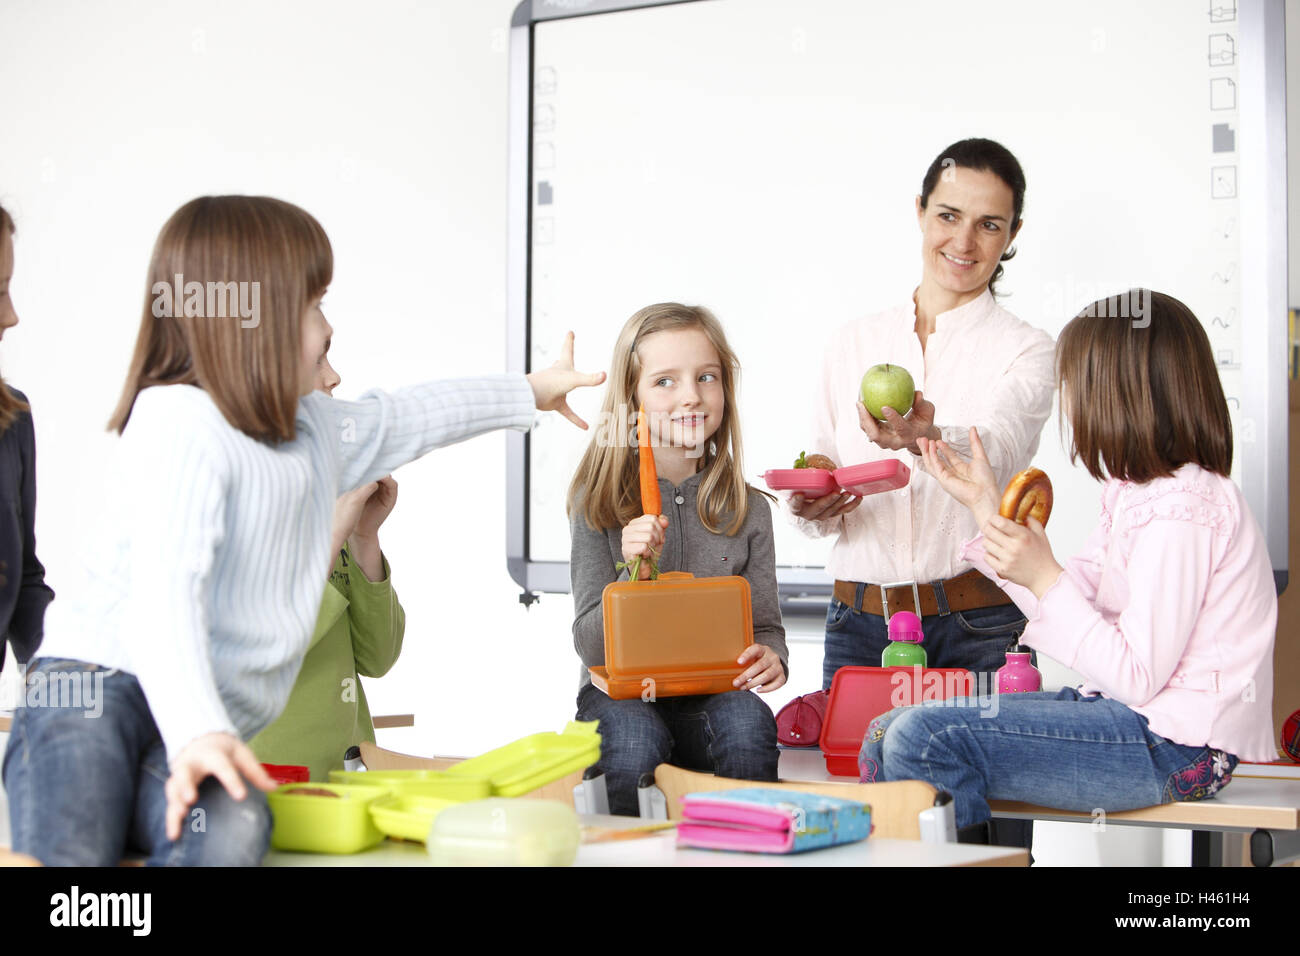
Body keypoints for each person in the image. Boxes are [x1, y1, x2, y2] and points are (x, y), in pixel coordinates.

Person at [2, 195, 603, 865]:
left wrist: (531, 391)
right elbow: (166, 598)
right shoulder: (179, 424)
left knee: (234, 828)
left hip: (199, 724)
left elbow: (412, 417)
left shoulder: (313, 432)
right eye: (315, 304)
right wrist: (199, 730)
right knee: (75, 852)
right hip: (100, 693)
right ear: (250, 321)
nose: (327, 327)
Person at [859, 291, 1277, 831]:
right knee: (885, 730)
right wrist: (986, 506)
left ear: (1120, 392)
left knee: (923, 737)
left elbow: (1135, 674)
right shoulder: (1134, 494)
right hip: (1135, 722)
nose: (1070, 405)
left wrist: (1044, 575)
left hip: (1178, 746)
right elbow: (1067, 596)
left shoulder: (1185, 507)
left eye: (1076, 387)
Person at [789, 138, 1056, 691]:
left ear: (1013, 235)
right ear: (920, 211)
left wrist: (928, 436)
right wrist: (811, 503)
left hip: (976, 626)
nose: (963, 241)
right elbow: (822, 467)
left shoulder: (1028, 349)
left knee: (980, 779)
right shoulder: (851, 343)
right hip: (858, 625)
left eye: (988, 224)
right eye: (948, 216)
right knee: (854, 776)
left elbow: (999, 446)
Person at [568, 303, 787, 815]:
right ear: (632, 399)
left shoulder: (749, 509)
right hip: (619, 698)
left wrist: (772, 657)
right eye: (665, 381)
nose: (691, 395)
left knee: (749, 726)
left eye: (706, 377)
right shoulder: (595, 502)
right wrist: (633, 571)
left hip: (710, 696)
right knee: (632, 744)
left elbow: (767, 628)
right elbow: (587, 642)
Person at [250, 333, 405, 781]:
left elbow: (379, 656)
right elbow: (261, 649)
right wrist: (333, 535)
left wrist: (363, 538)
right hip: (269, 784)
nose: (334, 378)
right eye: (317, 361)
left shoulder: (324, 492)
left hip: (347, 774)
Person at [0, 203, 54, 674]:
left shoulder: (13, 418)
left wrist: (58, 672)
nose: (12, 316)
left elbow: (24, 582)